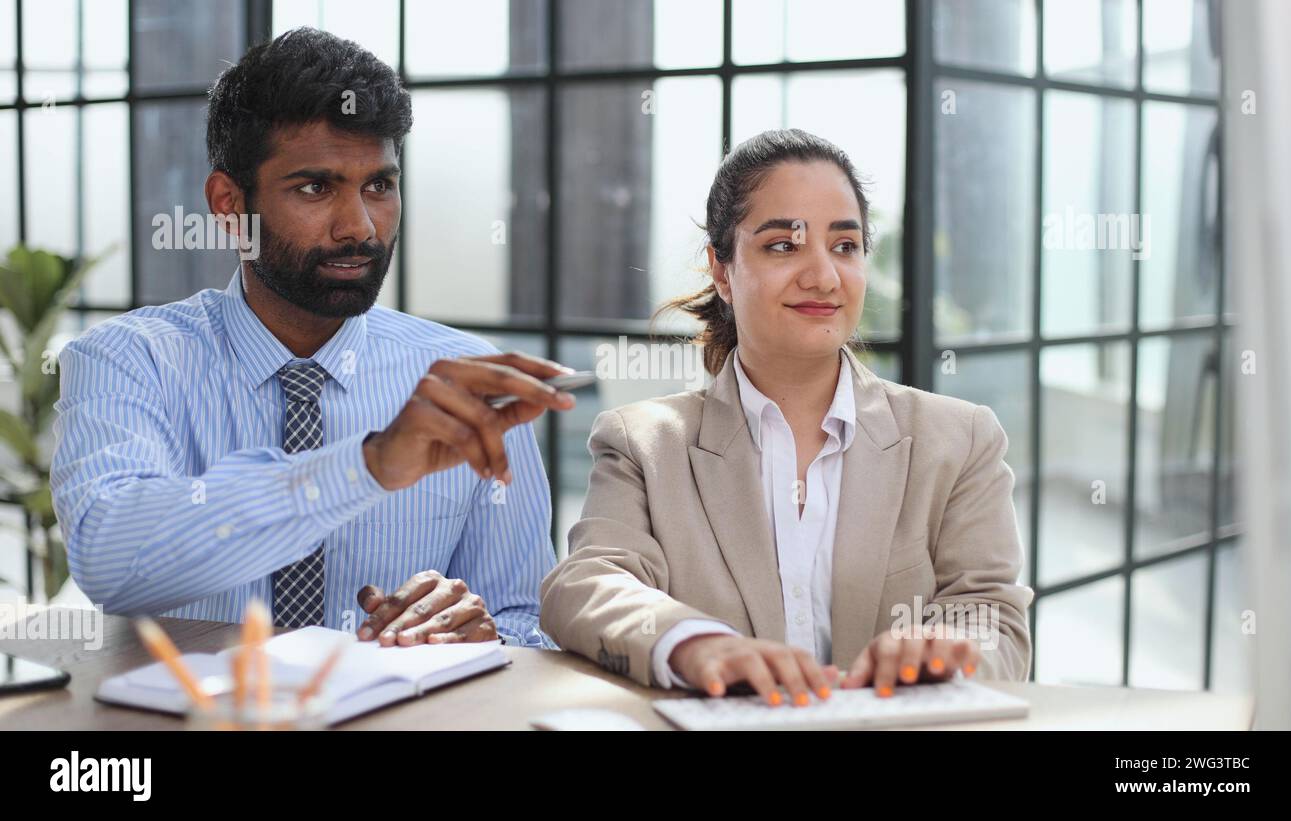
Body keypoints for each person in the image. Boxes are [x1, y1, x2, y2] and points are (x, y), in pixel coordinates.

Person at [50, 28, 573, 647]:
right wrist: (366, 466)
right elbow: (112, 563)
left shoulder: (464, 375)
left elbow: (526, 623)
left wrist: (482, 637)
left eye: (378, 185)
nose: (359, 228)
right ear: (228, 203)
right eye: (314, 187)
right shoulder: (127, 361)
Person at [541, 128, 1034, 704]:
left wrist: (951, 650)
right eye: (783, 245)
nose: (823, 276)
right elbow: (585, 583)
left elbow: (995, 620)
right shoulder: (644, 443)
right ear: (723, 272)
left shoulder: (959, 438)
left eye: (845, 246)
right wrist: (696, 644)